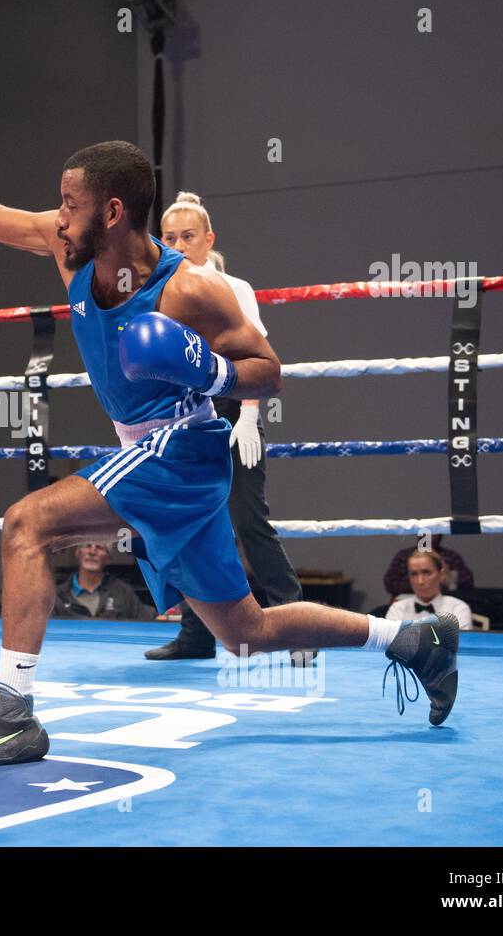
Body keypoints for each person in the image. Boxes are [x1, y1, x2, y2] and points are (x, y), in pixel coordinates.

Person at [0, 133, 460, 768]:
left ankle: (11, 714)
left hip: (183, 445)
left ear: (112, 212)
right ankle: (412, 637)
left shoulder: (187, 291)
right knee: (244, 632)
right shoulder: (69, 249)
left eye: (70, 203)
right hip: (157, 455)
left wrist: (208, 371)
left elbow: (267, 370)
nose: (58, 216)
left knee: (27, 524)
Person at [144, 192, 307, 662]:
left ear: (208, 239)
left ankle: (296, 627)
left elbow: (255, 357)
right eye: (169, 237)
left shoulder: (232, 288)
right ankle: (196, 637)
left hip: (234, 412)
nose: (177, 244)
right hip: (187, 416)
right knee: (194, 523)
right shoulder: (160, 291)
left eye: (187, 236)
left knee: (248, 520)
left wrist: (251, 416)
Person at [54, 542, 157, 621]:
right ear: (77, 553)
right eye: (87, 546)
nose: (92, 552)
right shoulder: (56, 595)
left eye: (99, 547)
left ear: (108, 558)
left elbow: (146, 623)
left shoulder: (123, 592)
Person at [385, 549, 473, 630]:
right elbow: (389, 644)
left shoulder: (458, 608)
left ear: (441, 575)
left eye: (426, 573)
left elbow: (460, 645)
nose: (420, 581)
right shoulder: (398, 609)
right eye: (414, 574)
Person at [384, 534, 473, 598]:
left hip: (444, 600)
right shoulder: (404, 555)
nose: (427, 536)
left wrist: (449, 576)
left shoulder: (451, 556)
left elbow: (467, 581)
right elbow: (389, 582)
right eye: (414, 574)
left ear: (440, 535)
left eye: (432, 532)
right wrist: (420, 586)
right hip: (407, 599)